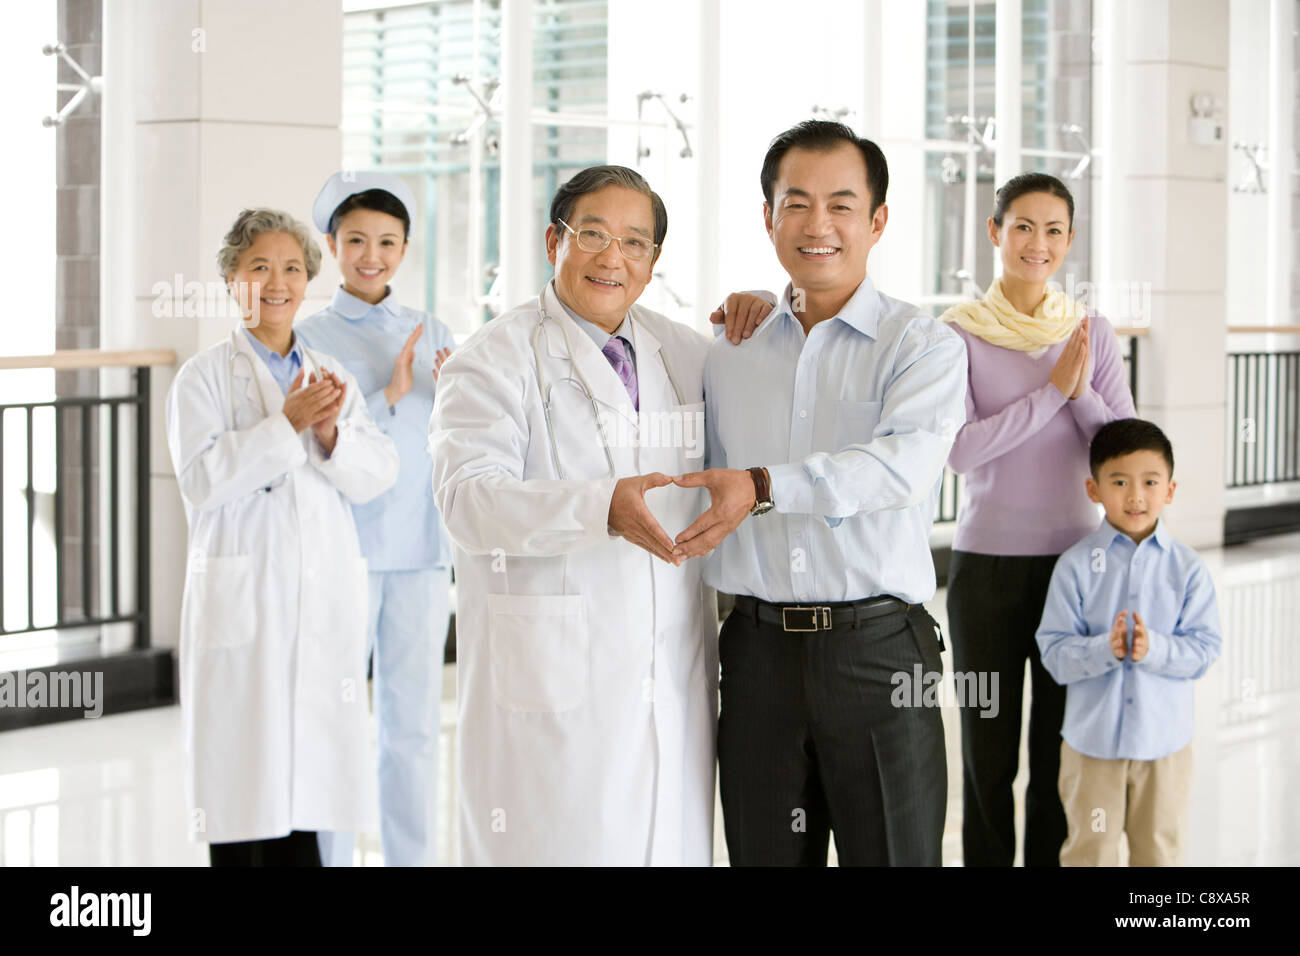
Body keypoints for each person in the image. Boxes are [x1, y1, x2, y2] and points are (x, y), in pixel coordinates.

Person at [674, 120, 968, 866]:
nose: (818, 225)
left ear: (877, 221)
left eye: (841, 204)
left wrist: (765, 486)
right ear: (768, 218)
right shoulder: (729, 352)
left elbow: (900, 468)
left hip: (879, 654)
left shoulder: (923, 346)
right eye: (795, 203)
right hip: (755, 657)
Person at [428, 165, 723, 865]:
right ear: (552, 241)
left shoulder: (684, 352)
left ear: (653, 262)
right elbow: (467, 501)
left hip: (670, 672)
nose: (611, 257)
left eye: (635, 242)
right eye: (592, 234)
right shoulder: (492, 359)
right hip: (552, 685)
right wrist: (601, 508)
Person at [166, 208, 398, 866]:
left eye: (292, 268)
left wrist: (328, 437)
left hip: (316, 605)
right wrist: (286, 424)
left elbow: (379, 471)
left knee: (307, 800)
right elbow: (203, 480)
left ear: (309, 281)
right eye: (259, 267)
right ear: (231, 280)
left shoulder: (329, 374)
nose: (278, 282)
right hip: (246, 602)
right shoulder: (203, 379)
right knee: (243, 793)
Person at [941, 172, 1137, 867]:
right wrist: (1053, 393)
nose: (1038, 243)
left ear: (1070, 241)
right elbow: (960, 452)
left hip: (1076, 572)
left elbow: (1120, 448)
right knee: (985, 753)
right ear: (996, 232)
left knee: (1059, 753)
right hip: (985, 571)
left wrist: (1077, 394)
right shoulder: (957, 334)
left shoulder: (1092, 334)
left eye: (1054, 230)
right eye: (1023, 226)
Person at [295, 172, 455, 868]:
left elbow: (460, 441)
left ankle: (410, 861)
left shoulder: (436, 331)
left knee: (414, 727)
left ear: (406, 247)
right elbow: (317, 443)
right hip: (344, 552)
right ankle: (327, 858)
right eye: (356, 239)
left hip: (422, 550)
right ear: (331, 245)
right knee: (335, 719)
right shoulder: (308, 336)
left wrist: (459, 396)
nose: (372, 254)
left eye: (388, 241)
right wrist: (388, 393)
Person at [1036, 418, 1222, 866]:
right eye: (1119, 482)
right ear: (1094, 489)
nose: (1136, 495)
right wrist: (1107, 649)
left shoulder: (1188, 569)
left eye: (1150, 482)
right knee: (1089, 852)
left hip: (1164, 748)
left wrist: (1152, 649)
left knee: (1158, 852)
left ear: (1170, 491)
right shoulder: (1076, 566)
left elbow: (1205, 649)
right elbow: (1054, 653)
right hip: (1092, 747)